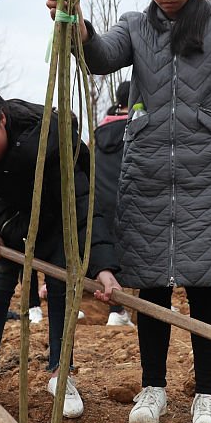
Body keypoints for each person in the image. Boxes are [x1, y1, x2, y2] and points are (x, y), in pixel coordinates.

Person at [46, 0, 211, 423]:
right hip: (145, 175)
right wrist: (73, 21)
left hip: (204, 178)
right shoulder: (136, 27)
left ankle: (207, 394)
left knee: (204, 284)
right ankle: (153, 387)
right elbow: (98, 57)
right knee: (152, 288)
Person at [0, 88, 121, 419]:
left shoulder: (52, 143)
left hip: (54, 221)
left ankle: (59, 375)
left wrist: (102, 266)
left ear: (2, 120)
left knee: (62, 284)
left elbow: (81, 205)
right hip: (4, 225)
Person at [90, 80, 134, 326]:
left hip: (103, 201)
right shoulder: (135, 129)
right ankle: (160, 305)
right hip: (130, 199)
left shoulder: (101, 130)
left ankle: (117, 311)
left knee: (112, 253)